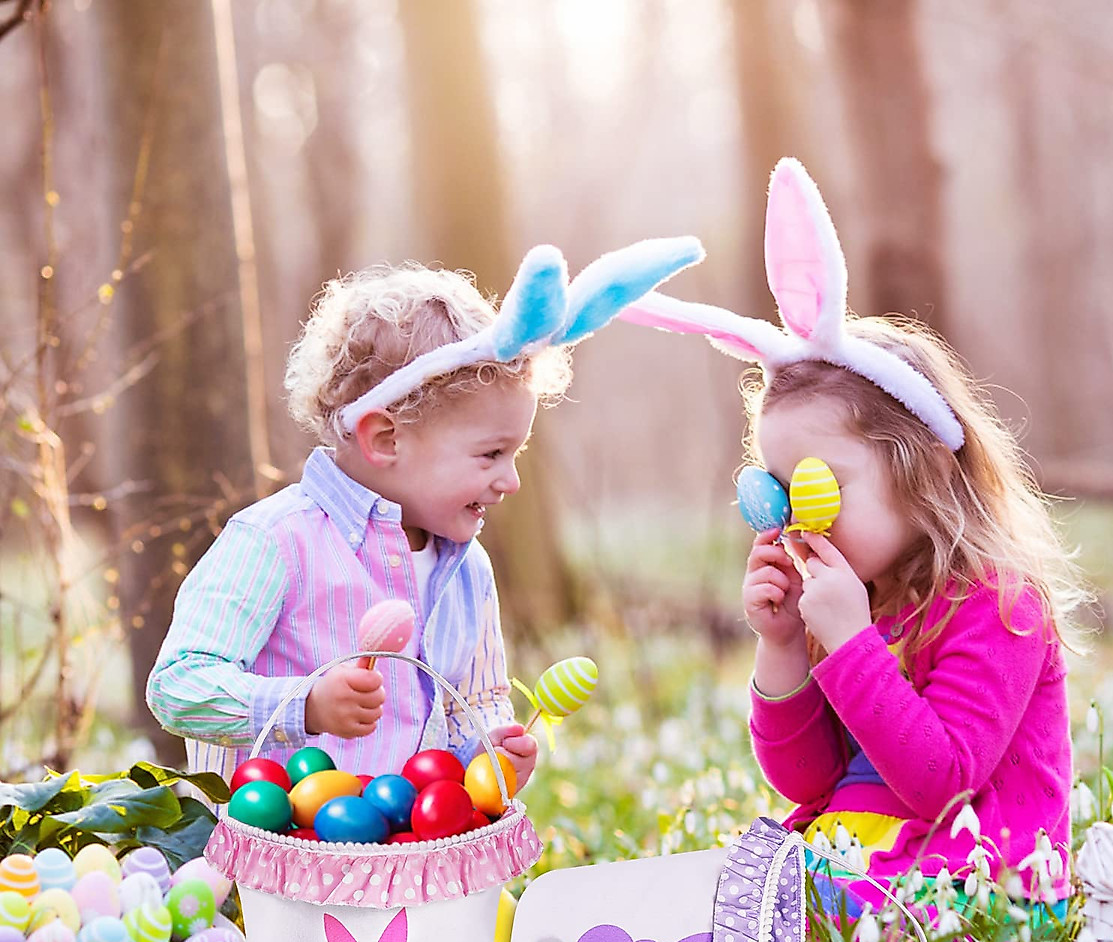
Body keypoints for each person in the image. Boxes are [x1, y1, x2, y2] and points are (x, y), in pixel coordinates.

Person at [620, 159, 1092, 926]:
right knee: (723, 903)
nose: (797, 521)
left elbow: (943, 782)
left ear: (923, 467)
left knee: (786, 921)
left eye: (819, 487)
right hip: (863, 853)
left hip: (975, 880)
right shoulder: (851, 594)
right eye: (774, 490)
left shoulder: (999, 605)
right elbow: (809, 783)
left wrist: (848, 643)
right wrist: (783, 648)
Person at [147, 237, 704, 788]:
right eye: (490, 454)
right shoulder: (273, 542)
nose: (510, 481)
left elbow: (477, 704)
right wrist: (305, 704)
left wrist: (490, 758)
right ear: (386, 438)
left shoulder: (466, 567)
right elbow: (178, 684)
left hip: (413, 865)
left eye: (515, 454)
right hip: (277, 863)